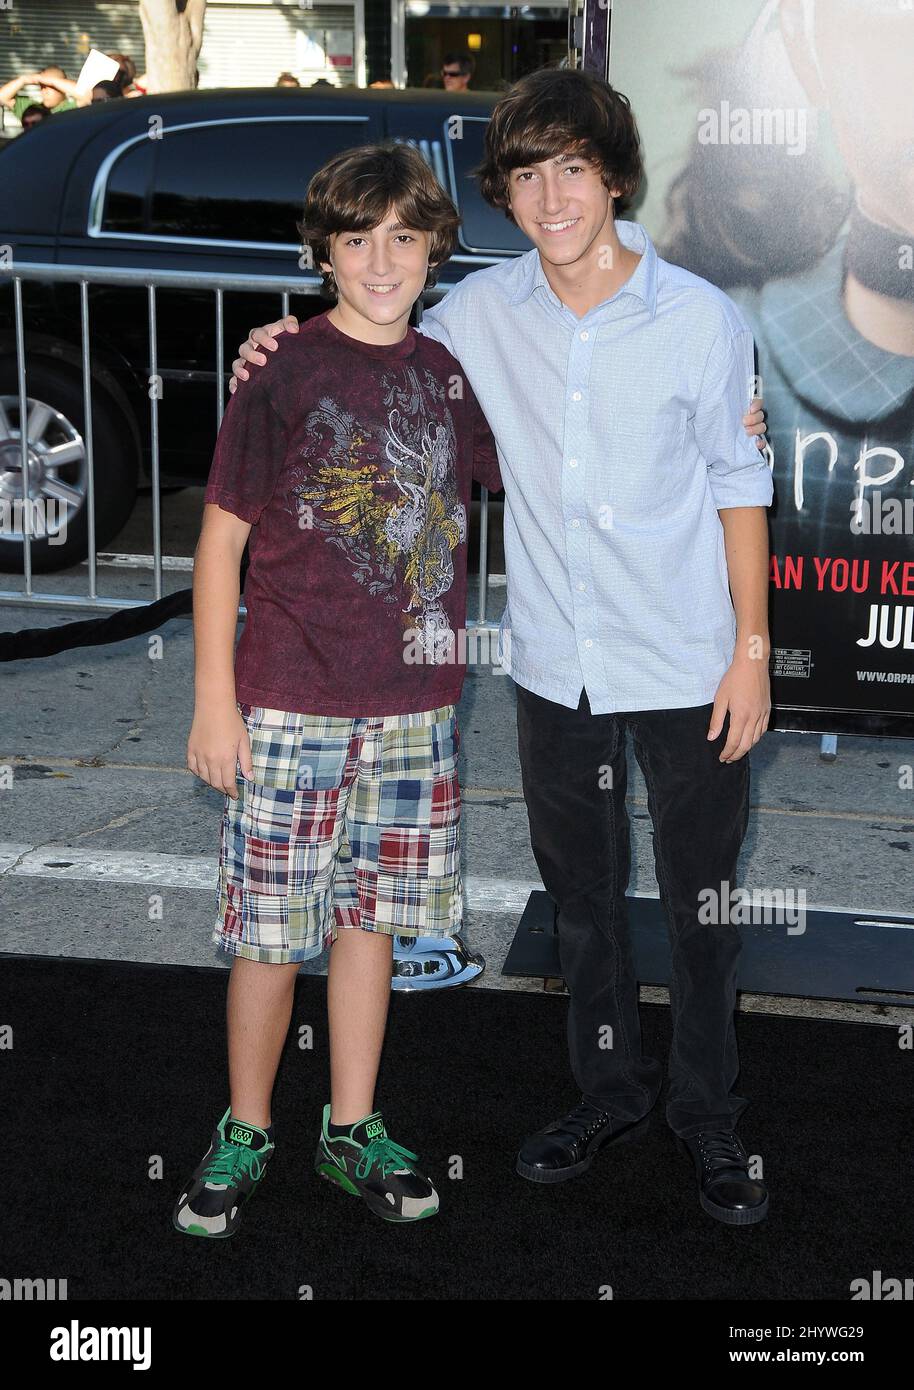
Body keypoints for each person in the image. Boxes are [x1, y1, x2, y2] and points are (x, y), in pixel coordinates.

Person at [233, 67, 774, 1227]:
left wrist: (752, 650)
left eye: (570, 167)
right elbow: (365, 342)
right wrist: (271, 342)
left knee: (699, 906)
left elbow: (740, 484)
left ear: (614, 177)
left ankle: (708, 1116)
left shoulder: (699, 318)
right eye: (525, 175)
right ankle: (606, 1090)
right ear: (503, 196)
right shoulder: (476, 314)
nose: (549, 195)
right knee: (580, 900)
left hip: (685, 660)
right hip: (551, 665)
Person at [175, 141, 501, 1238]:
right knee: (271, 932)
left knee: (371, 923)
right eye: (356, 240)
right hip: (286, 702)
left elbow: (554, 455)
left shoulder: (449, 376)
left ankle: (349, 1126)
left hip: (414, 707)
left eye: (403, 239)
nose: (380, 261)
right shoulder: (283, 371)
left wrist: (722, 429)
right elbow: (218, 545)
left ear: (434, 250)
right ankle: (248, 1124)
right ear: (321, 252)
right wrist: (214, 699)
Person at [0, 67, 81, 120]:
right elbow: (2, 97)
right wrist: (23, 80)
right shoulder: (32, 110)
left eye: (50, 86)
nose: (44, 91)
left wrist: (52, 81)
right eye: (42, 86)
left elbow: (85, 94)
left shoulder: (73, 108)